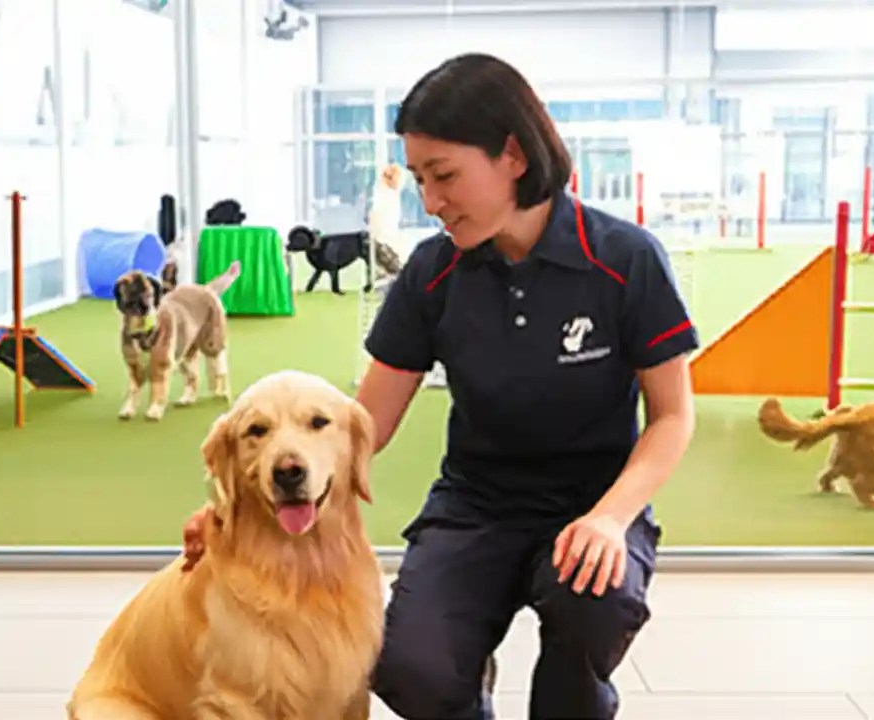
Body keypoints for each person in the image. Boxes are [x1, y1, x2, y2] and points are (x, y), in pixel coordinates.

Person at [180, 52, 697, 719]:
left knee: (593, 603)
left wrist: (610, 517)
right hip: (475, 508)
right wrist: (235, 512)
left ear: (512, 155)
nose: (430, 201)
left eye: (444, 176)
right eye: (420, 179)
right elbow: (360, 423)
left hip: (591, 505)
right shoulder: (431, 272)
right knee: (410, 668)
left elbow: (672, 417)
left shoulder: (624, 259)